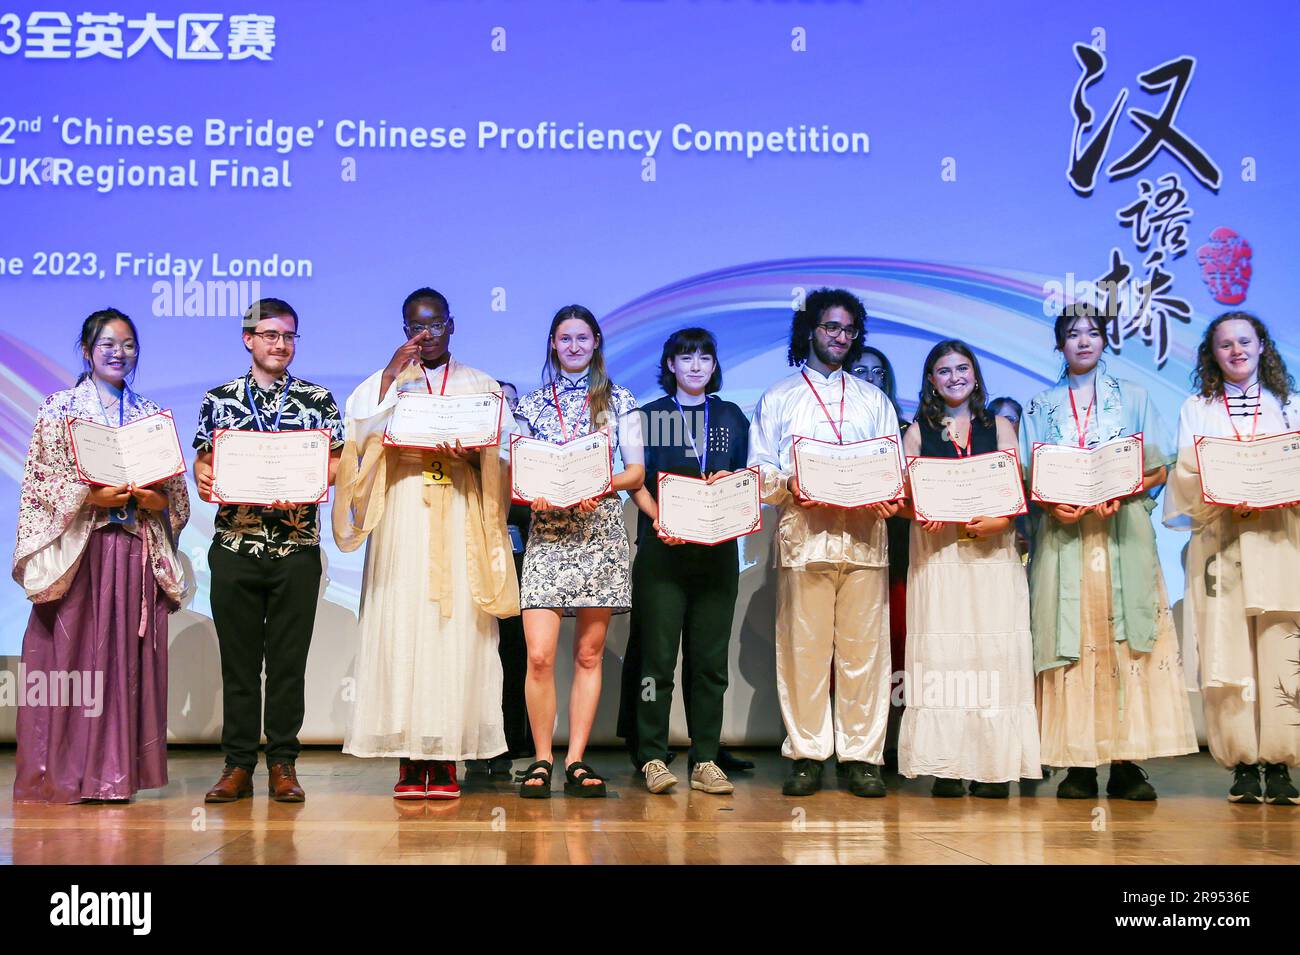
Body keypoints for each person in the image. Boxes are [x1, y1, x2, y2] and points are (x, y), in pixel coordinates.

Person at [332, 288, 520, 799]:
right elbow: (358, 432)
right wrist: (390, 375)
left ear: (451, 325)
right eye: (416, 326)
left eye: (436, 324)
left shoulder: (481, 385)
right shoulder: (390, 380)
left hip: (460, 508)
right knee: (404, 619)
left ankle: (446, 755)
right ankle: (409, 757)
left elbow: (502, 453)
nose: (427, 335)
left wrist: (471, 457)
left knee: (454, 626)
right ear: (404, 330)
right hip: (403, 512)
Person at [1020, 306, 1197, 800]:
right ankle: (1079, 764)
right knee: (1074, 642)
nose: (1083, 341)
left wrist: (1124, 489)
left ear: (1105, 342)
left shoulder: (1135, 397)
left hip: (1123, 534)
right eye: (1073, 334)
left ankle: (1126, 763)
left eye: (1093, 333)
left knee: (1123, 641)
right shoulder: (1040, 406)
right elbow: (1031, 478)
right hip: (1066, 538)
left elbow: (1159, 467)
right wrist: (1053, 505)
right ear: (1059, 345)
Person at [12, 309, 190, 803]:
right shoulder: (59, 408)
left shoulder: (150, 416)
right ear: (87, 350)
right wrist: (88, 496)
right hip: (81, 551)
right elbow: (41, 481)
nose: (119, 353)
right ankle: (66, 773)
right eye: (108, 344)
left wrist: (155, 501)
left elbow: (174, 495)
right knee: (73, 660)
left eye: (128, 345)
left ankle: (116, 777)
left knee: (124, 663)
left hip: (133, 551)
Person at [749, 288, 901, 797]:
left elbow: (894, 468)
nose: (840, 336)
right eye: (831, 326)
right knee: (804, 653)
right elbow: (758, 471)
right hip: (804, 541)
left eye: (849, 329)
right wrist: (791, 485)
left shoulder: (874, 400)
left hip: (864, 543)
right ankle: (807, 754)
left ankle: (862, 757)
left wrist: (891, 493)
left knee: (864, 655)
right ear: (810, 329)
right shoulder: (779, 397)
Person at [194, 298, 344, 803]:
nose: (281, 344)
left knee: (287, 664)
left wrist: (304, 482)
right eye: (271, 335)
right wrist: (205, 477)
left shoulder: (317, 399)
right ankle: (237, 766)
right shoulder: (219, 399)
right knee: (238, 664)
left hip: (296, 548)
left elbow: (337, 465)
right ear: (248, 339)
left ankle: (283, 763)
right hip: (235, 546)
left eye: (289, 336)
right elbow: (204, 466)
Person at [1163, 312, 1299, 805]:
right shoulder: (1197, 408)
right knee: (1227, 651)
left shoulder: (1291, 406)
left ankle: (1281, 765)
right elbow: (1185, 474)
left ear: (1262, 345)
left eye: (1245, 341)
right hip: (1220, 543)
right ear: (1212, 353)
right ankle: (1241, 764)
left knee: (1281, 649)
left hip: (1280, 541)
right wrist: (1224, 497)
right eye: (1226, 344)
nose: (1237, 350)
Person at [897, 341, 1040, 797]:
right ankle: (948, 766)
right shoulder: (917, 431)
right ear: (931, 380)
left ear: (976, 376)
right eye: (944, 371)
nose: (955, 377)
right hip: (939, 559)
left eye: (963, 368)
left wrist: (1002, 520)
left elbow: (1015, 491)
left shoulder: (999, 426)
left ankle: (992, 766)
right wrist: (921, 513)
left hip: (993, 559)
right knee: (945, 659)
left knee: (991, 656)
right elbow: (903, 499)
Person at [513, 305, 645, 797]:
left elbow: (635, 471)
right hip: (548, 534)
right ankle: (541, 758)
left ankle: (575, 760)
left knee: (589, 655)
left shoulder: (621, 399)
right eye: (565, 338)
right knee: (539, 656)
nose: (574, 346)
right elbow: (519, 472)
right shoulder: (530, 405)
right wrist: (534, 493)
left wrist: (599, 484)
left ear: (596, 343)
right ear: (553, 343)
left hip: (599, 532)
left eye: (582, 338)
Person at [623, 328, 751, 795]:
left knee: (710, 663)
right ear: (670, 365)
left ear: (714, 365)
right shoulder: (648, 416)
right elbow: (636, 480)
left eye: (704, 357)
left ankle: (706, 758)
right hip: (664, 551)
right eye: (686, 357)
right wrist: (659, 518)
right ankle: (653, 756)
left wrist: (731, 479)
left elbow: (748, 476)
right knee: (656, 662)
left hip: (717, 553)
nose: (695, 366)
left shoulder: (731, 416)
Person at [850, 346, 911, 770]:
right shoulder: (838, 430)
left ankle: (893, 742)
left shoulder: (908, 430)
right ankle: (852, 741)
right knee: (855, 653)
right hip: (853, 550)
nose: (870, 378)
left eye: (878, 372)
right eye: (860, 370)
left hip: (901, 554)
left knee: (899, 652)